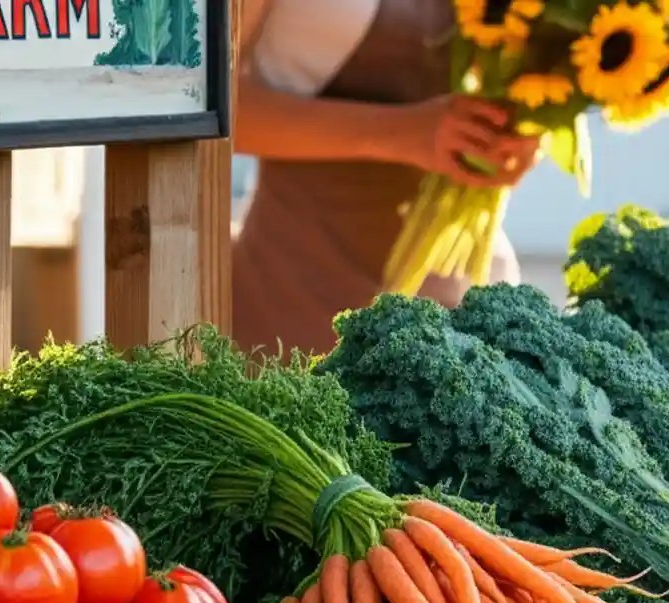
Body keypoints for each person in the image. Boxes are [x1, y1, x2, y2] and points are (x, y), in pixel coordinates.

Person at [232, 0, 542, 356]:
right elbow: (202, 109)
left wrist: (514, 142)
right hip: (298, 300)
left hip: (464, 300)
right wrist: (403, 133)